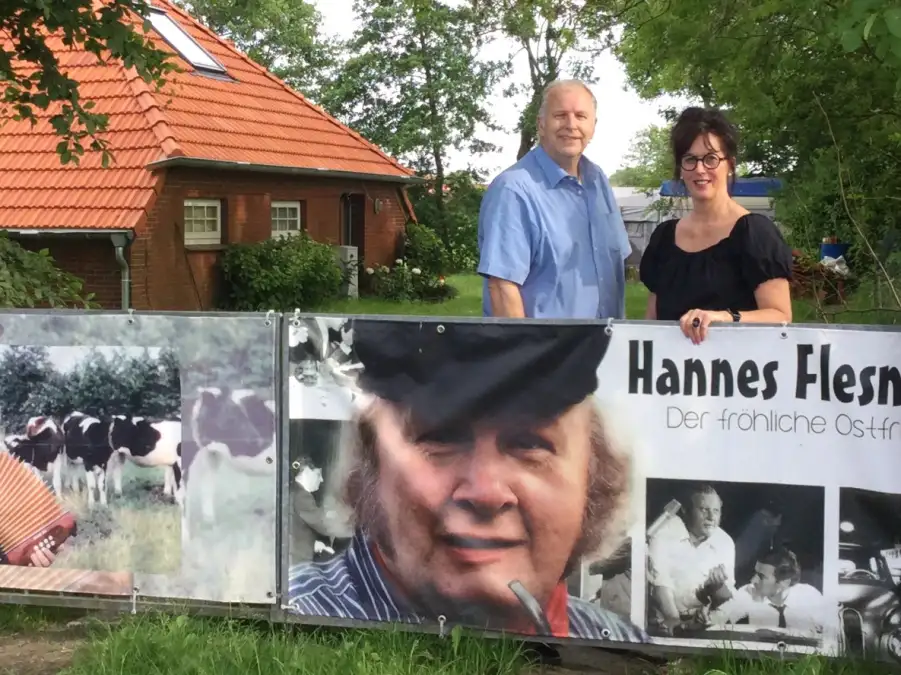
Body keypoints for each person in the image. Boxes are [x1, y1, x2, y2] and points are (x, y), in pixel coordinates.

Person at [287, 319, 647, 643]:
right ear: (371, 467)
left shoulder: (624, 643)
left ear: (593, 481)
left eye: (529, 444)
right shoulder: (296, 625)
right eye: (440, 438)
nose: (486, 492)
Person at [477, 79, 631, 320]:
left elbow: (615, 264)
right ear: (541, 124)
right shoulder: (513, 190)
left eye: (581, 116)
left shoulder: (597, 180)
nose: (571, 125)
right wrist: (527, 355)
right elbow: (501, 288)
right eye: (560, 115)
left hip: (605, 348)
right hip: (548, 353)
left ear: (593, 126)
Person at [639, 107, 793, 344]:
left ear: (729, 164)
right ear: (680, 168)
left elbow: (781, 317)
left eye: (711, 158)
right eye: (690, 159)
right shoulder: (664, 238)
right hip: (670, 376)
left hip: (738, 375)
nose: (700, 169)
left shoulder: (755, 234)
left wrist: (724, 317)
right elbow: (652, 319)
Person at [647, 485, 736, 634]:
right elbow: (660, 584)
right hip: (662, 622)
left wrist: (711, 618)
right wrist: (674, 621)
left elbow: (728, 596)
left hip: (701, 625)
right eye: (704, 510)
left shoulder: (725, 542)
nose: (711, 517)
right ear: (686, 511)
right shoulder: (664, 533)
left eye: (716, 511)